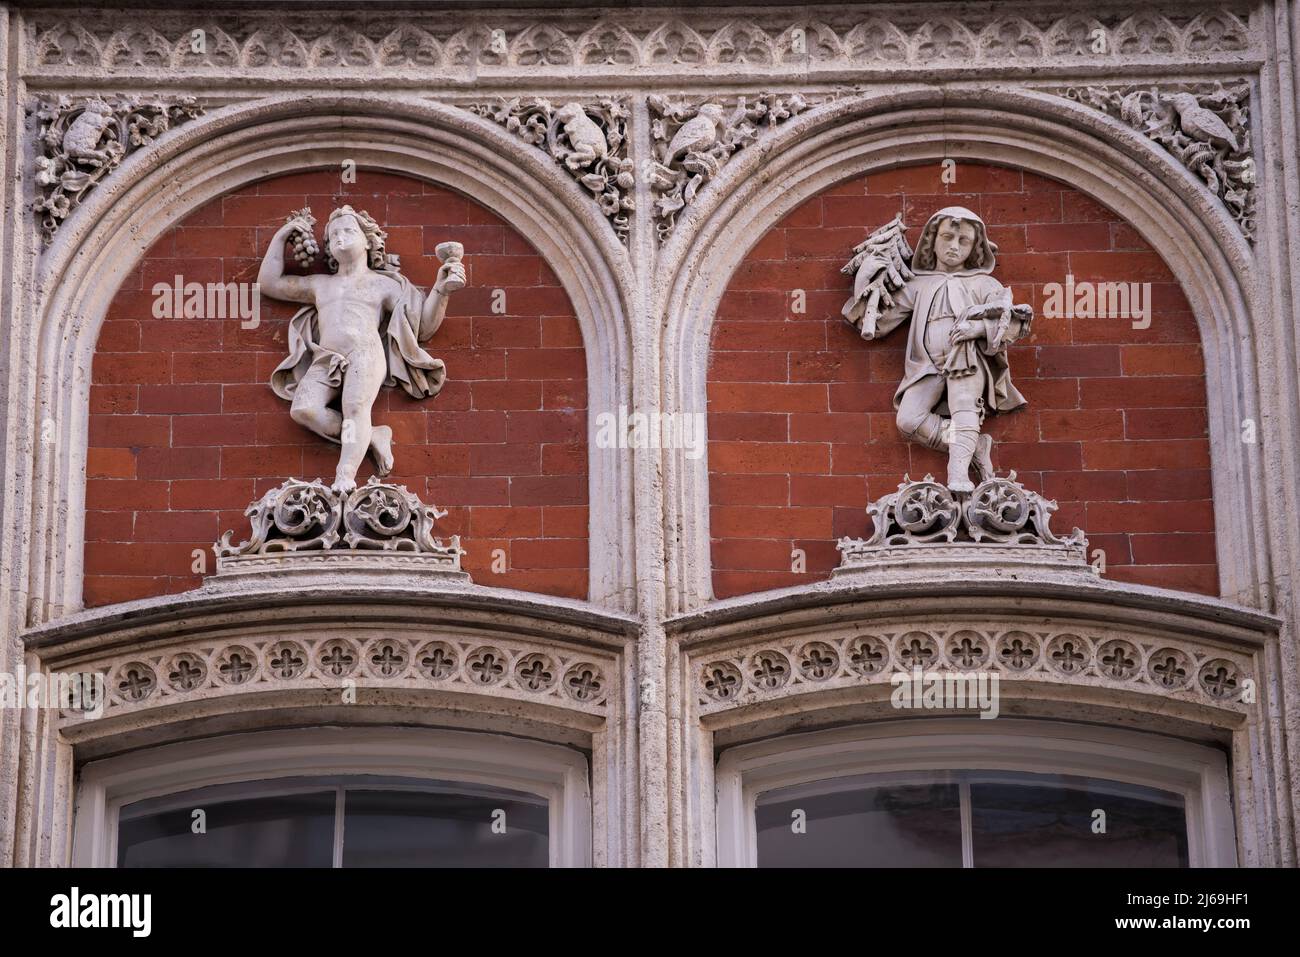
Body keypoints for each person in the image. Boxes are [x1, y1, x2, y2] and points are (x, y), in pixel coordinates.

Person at [258, 205, 465, 492]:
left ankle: (345, 474)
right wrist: (282, 236)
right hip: (326, 356)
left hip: (364, 352)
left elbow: (423, 327)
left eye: (348, 231)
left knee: (355, 407)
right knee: (304, 409)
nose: (340, 238)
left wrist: (441, 290)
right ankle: (371, 435)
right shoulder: (321, 285)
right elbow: (270, 284)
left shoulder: (382, 285)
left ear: (368, 240)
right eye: (333, 235)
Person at [842, 205, 1033, 492]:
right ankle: (974, 445)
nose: (954, 247)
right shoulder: (918, 284)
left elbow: (1012, 322)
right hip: (927, 364)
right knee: (908, 420)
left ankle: (958, 474)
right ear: (933, 240)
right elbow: (878, 324)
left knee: (964, 407)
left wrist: (977, 329)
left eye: (963, 241)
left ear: (975, 248)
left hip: (965, 355)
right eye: (947, 237)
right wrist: (863, 279)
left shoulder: (984, 283)